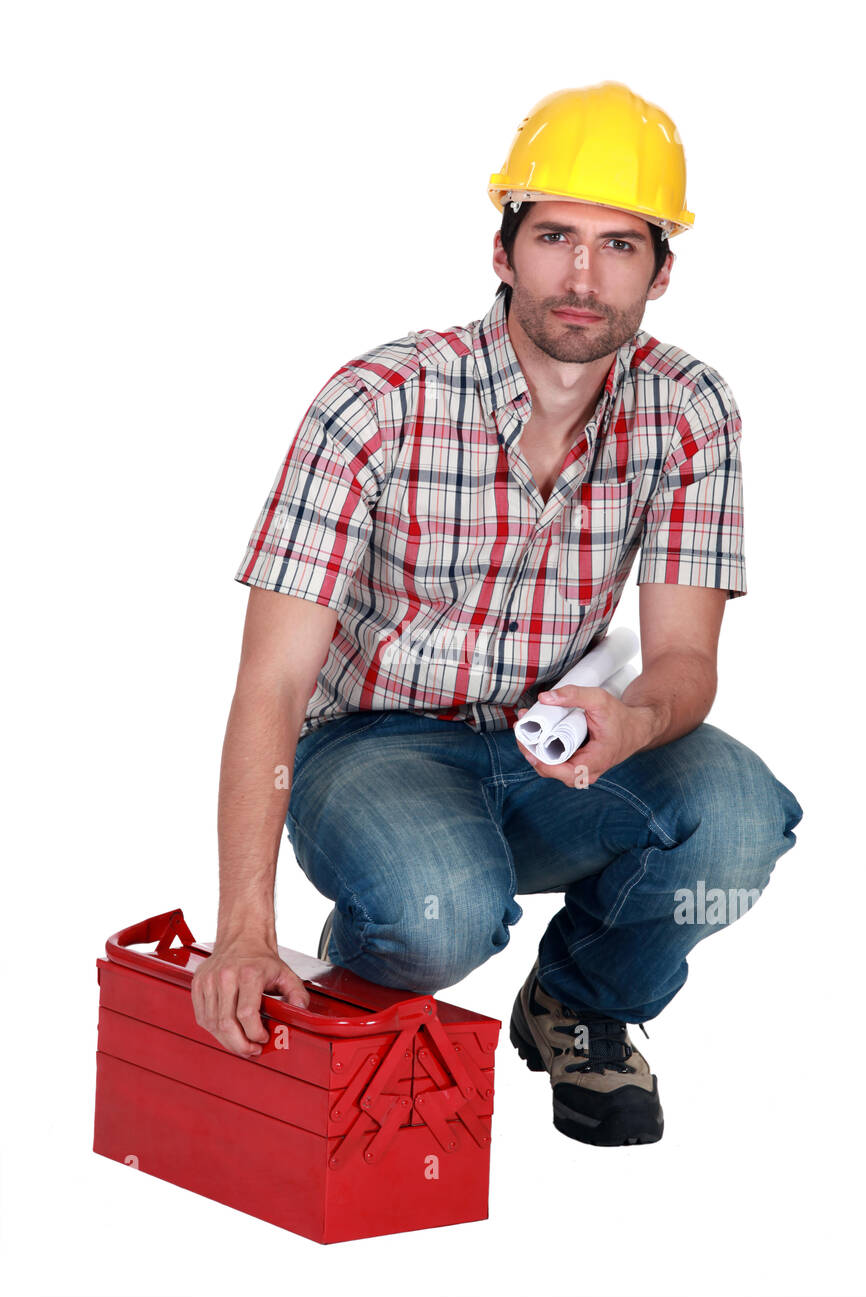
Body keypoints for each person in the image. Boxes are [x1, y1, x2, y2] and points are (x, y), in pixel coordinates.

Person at [191, 81, 803, 1147]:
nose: (580, 275)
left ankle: (577, 1001)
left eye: (618, 246)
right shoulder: (376, 402)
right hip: (367, 748)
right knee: (436, 918)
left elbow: (682, 664)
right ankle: (387, 946)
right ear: (501, 248)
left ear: (662, 271)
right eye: (554, 235)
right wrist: (245, 929)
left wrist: (628, 723)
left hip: (554, 743)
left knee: (740, 812)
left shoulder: (689, 408)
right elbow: (273, 682)